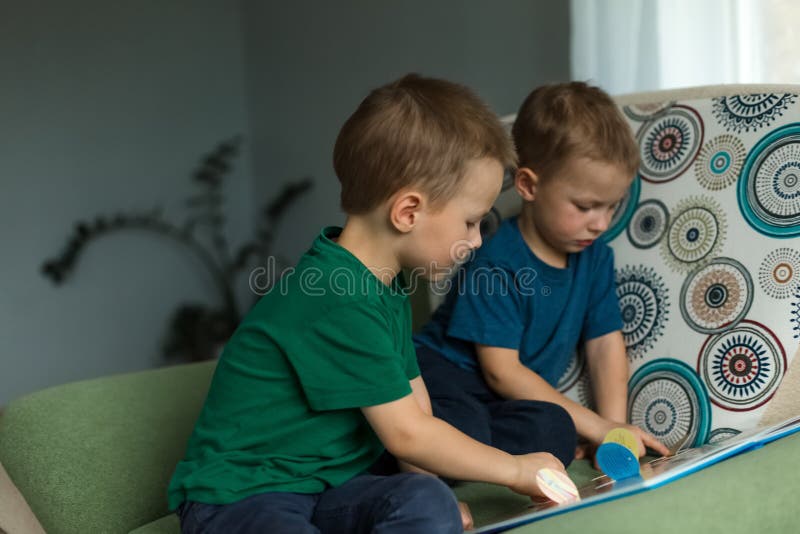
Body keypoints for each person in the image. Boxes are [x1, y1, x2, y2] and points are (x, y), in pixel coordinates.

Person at [167, 74, 574, 534]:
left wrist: (437, 496)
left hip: (327, 487)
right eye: (471, 222)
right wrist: (515, 470)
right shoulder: (333, 294)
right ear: (408, 212)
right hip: (240, 496)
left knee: (424, 501)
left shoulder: (386, 285)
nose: (476, 241)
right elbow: (407, 433)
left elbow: (417, 409)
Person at [414, 81, 671, 467]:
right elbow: (501, 372)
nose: (600, 223)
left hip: (502, 403)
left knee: (554, 432)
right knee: (460, 427)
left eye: (611, 207)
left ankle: (475, 457)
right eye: (585, 206)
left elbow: (604, 345)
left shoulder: (596, 259)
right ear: (529, 185)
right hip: (445, 377)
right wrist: (596, 425)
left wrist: (612, 430)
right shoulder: (498, 260)